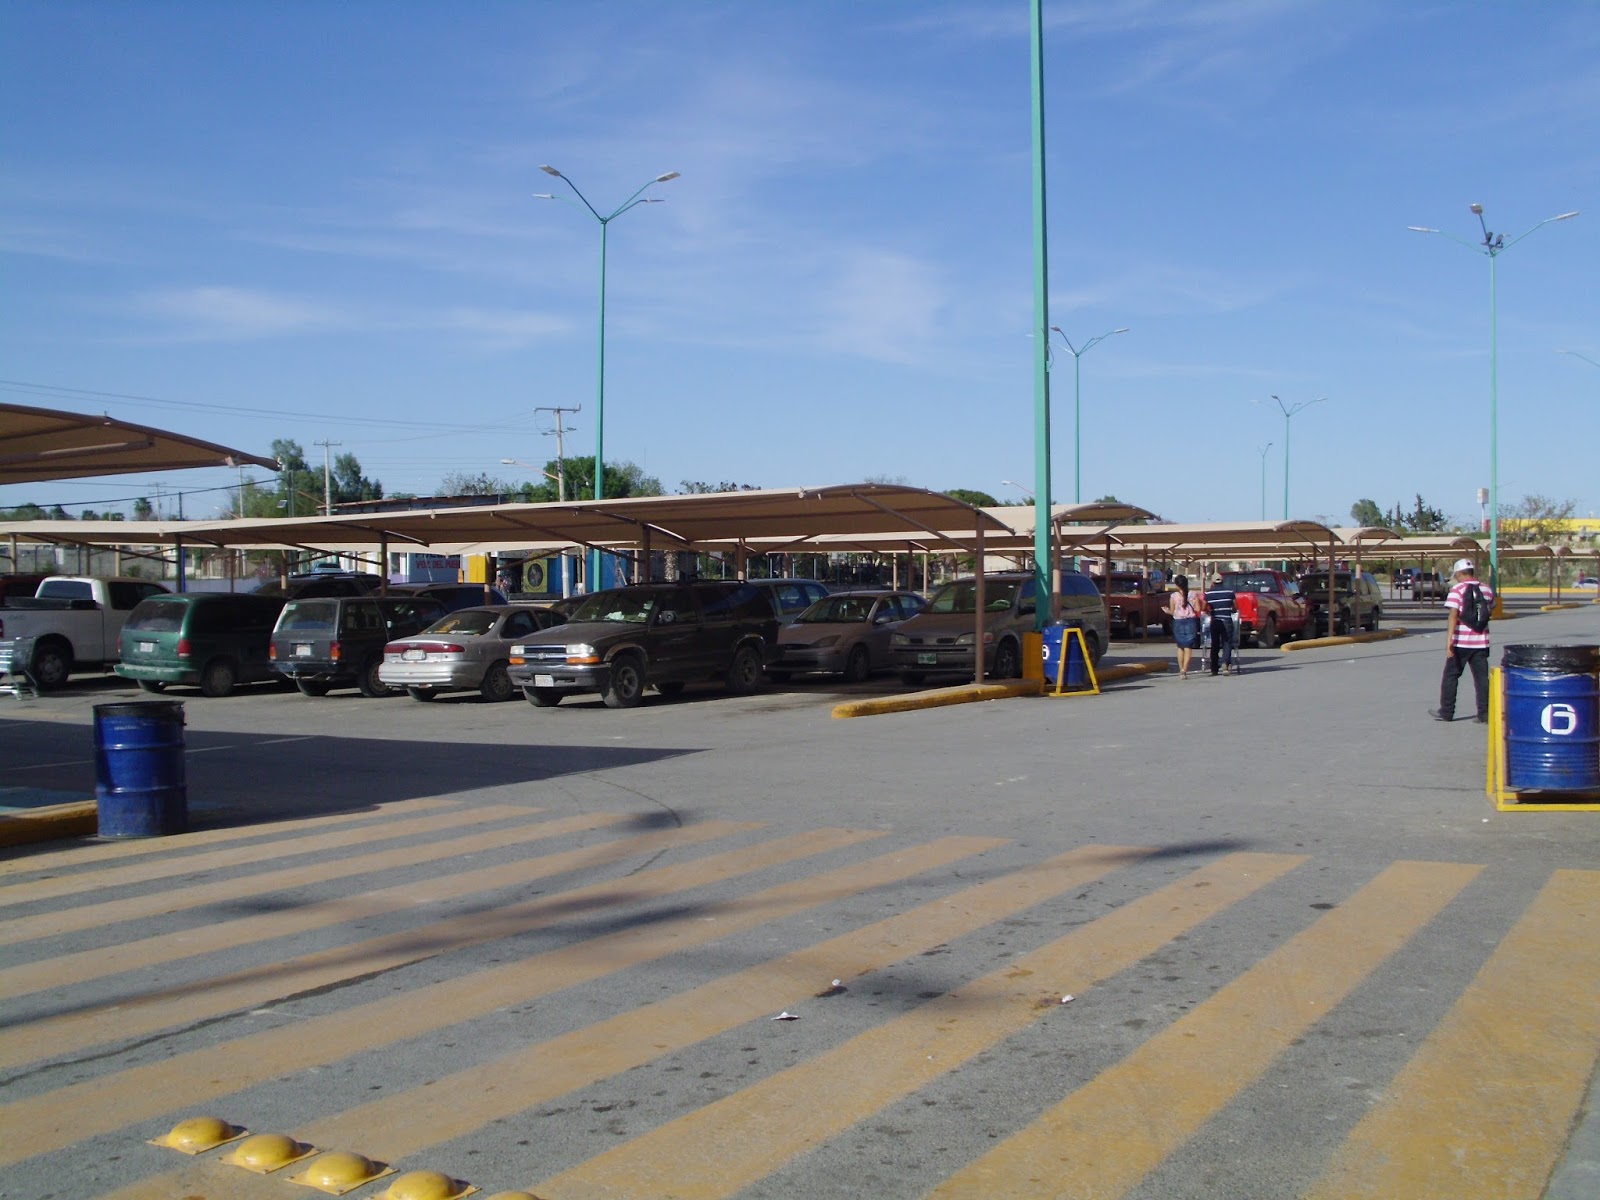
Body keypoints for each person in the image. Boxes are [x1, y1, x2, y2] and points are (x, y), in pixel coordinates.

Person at [1432, 557, 1495, 723]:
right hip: (1481, 642)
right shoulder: (1487, 590)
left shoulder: (1457, 590)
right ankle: (1484, 714)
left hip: (1460, 643)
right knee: (1481, 679)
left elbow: (1453, 615)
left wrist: (1449, 641)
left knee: (1451, 676)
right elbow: (1490, 610)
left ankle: (1446, 712)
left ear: (1460, 574)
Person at [1166, 574, 1204, 679]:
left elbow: (1172, 611)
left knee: (1180, 646)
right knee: (1188, 646)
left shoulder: (1173, 596)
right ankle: (1184, 670)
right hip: (1191, 622)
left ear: (1177, 585)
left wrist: (1166, 611)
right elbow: (1197, 609)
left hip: (1178, 622)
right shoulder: (1193, 594)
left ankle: (1180, 668)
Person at [1203, 573, 1238, 676]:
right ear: (1222, 581)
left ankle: (1214, 668)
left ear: (1213, 582)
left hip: (1215, 621)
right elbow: (1235, 607)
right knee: (1227, 643)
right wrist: (1230, 610)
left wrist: (1210, 612)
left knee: (1215, 644)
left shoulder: (1208, 594)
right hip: (1227, 620)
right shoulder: (1229, 592)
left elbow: (1204, 607)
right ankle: (1225, 665)